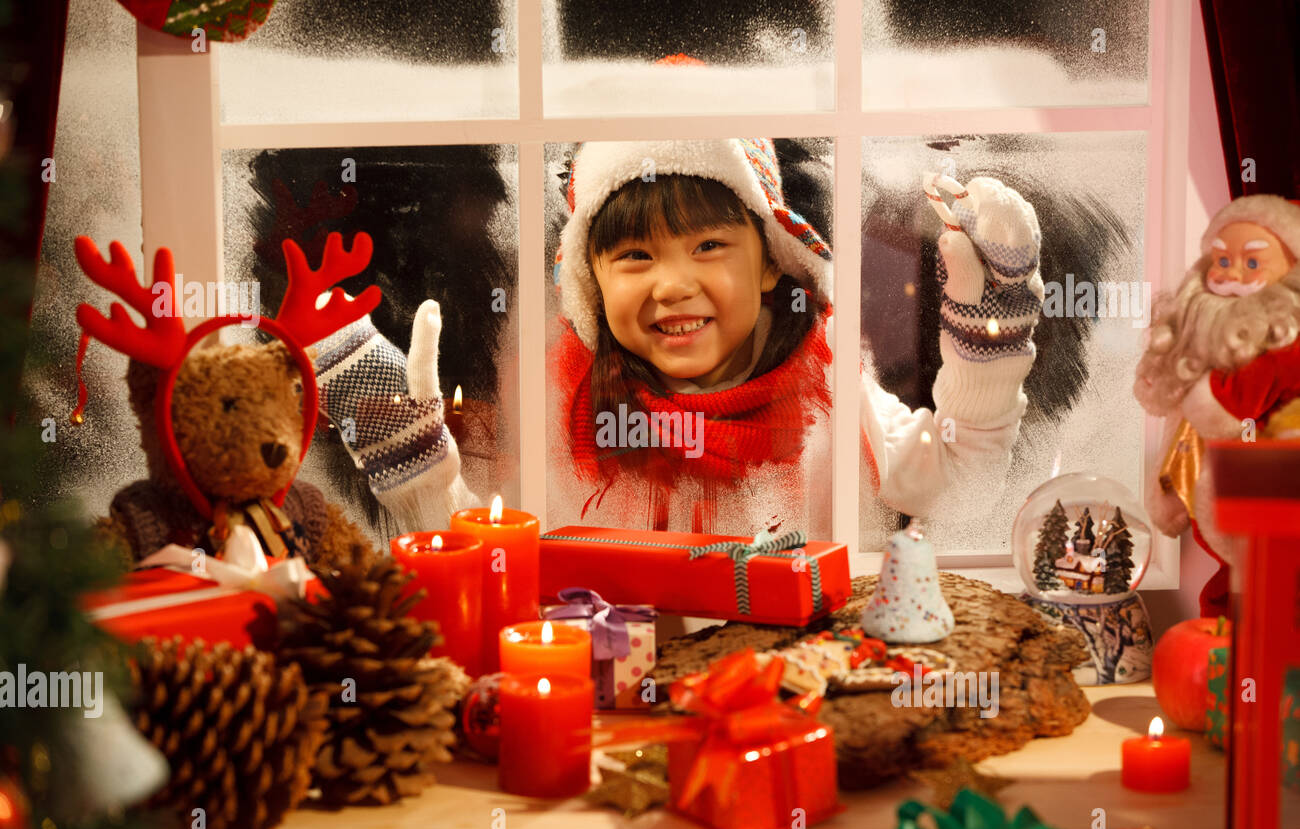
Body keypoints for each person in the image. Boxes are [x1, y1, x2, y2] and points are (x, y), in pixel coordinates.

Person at [315, 138, 1046, 543]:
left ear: (768, 264)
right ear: (593, 282)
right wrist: (418, 480)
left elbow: (966, 482)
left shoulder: (831, 398)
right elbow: (487, 563)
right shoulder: (561, 411)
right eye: (634, 256)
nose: (671, 285)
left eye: (707, 247)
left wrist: (993, 333)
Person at [1133, 193, 1300, 614]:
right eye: (1222, 262)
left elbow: (1221, 409)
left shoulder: (1285, 350)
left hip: (1274, 520)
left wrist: (1200, 395)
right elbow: (1183, 426)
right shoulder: (1207, 342)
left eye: (1253, 262)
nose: (1232, 276)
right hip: (1236, 543)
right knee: (1232, 605)